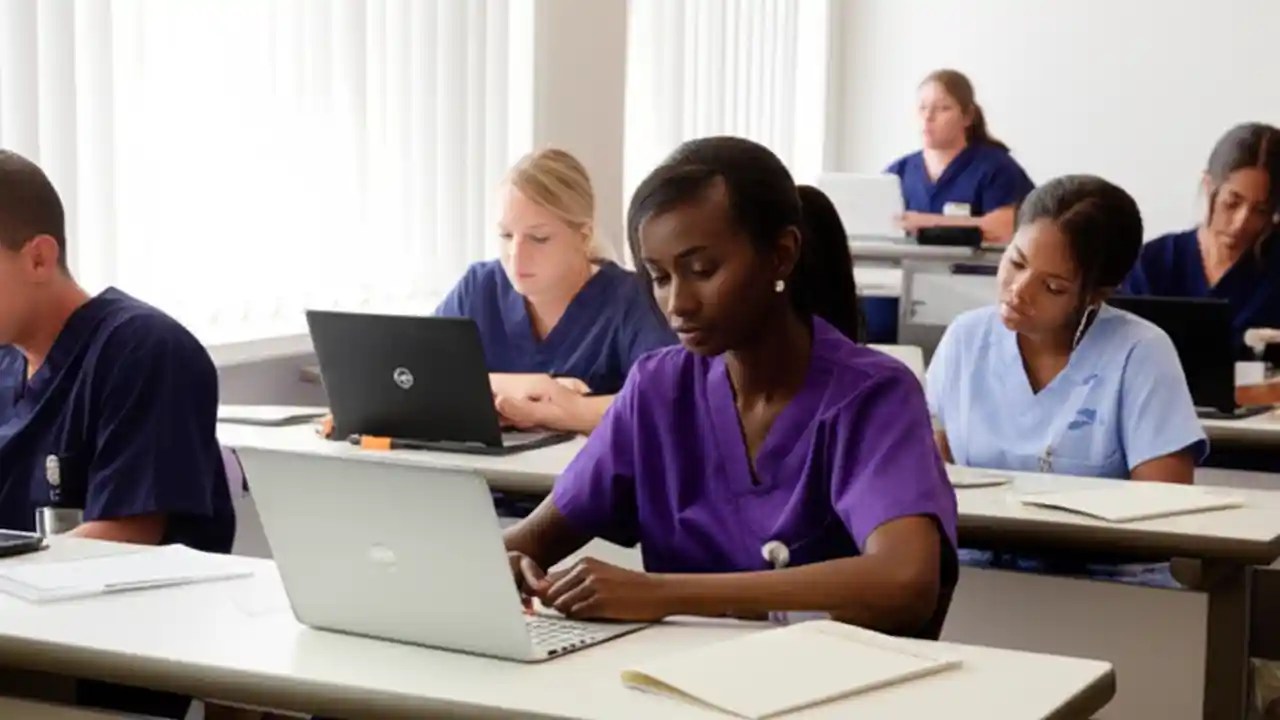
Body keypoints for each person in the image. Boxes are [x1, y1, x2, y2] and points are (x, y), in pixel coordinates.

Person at [503, 137, 958, 639]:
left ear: (781, 256)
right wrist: (508, 564)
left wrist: (662, 593)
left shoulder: (873, 394)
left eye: (702, 271)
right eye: (658, 277)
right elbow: (530, 541)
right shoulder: (658, 388)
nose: (678, 303)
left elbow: (905, 581)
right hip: (667, 687)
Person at [0, 150, 235, 716]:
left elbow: (125, 536)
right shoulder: (7, 362)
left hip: (101, 659)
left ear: (39, 258)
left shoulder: (144, 350)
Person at [927, 175, 1207, 584]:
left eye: (1053, 286)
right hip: (976, 579)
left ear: (1096, 294)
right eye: (1017, 262)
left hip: (1109, 590)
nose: (1019, 291)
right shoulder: (965, 339)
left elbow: (1162, 516)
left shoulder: (1140, 353)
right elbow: (925, 479)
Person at [435, 148, 675, 434]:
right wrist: (528, 387)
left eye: (539, 238)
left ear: (583, 237)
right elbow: (418, 376)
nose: (516, 255)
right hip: (483, 474)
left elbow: (667, 401)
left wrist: (558, 411)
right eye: (506, 235)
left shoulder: (632, 300)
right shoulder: (479, 288)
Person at [1121, 122, 1280, 359]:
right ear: (1209, 186)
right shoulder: (1153, 263)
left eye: (1260, 210)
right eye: (1232, 203)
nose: (1241, 223)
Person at [885, 69, 1034, 244]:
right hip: (909, 270)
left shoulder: (996, 168)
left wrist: (927, 222)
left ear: (967, 116)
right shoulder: (898, 173)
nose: (928, 117)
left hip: (972, 270)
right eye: (922, 108)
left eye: (942, 108)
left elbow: (1004, 229)